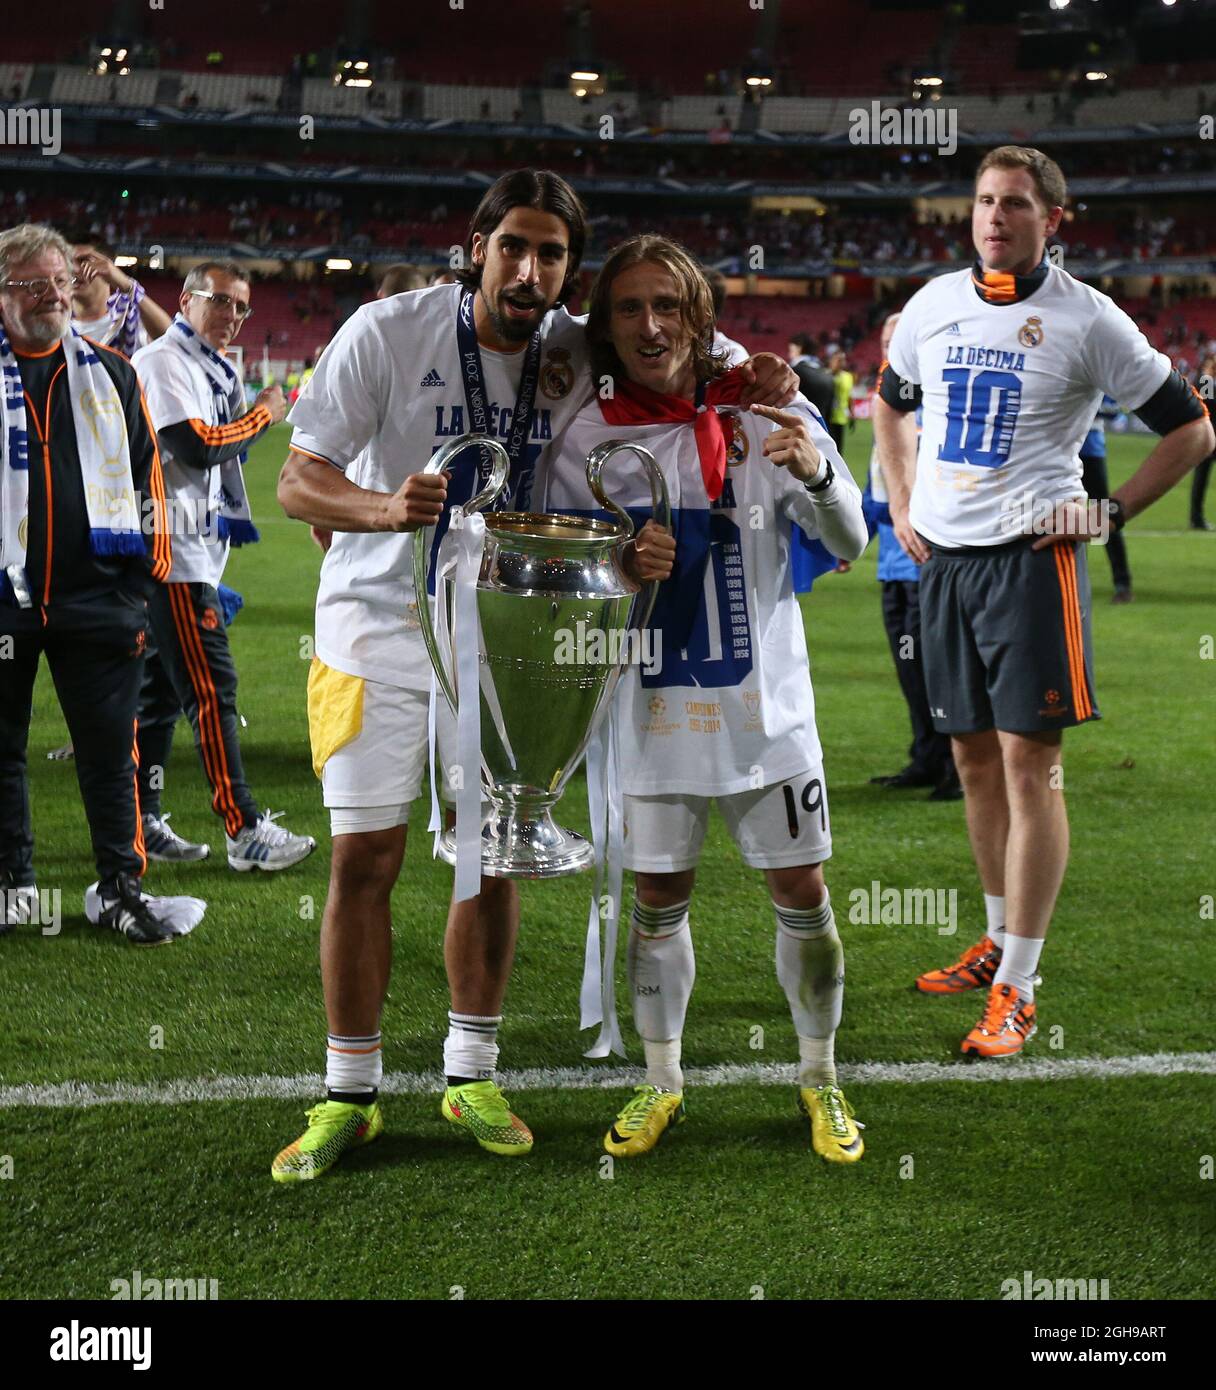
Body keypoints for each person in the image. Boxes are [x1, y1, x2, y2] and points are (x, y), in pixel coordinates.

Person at [271, 169, 798, 1182]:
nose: (529, 268)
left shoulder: (571, 346)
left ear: (568, 268)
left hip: (503, 636)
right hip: (374, 629)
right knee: (363, 859)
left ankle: (471, 1068)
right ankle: (349, 1091)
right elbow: (301, 476)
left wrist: (763, 370)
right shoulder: (386, 332)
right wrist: (387, 508)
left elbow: (684, 333)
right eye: (512, 244)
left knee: (493, 847)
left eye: (551, 253)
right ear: (475, 246)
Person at [874, 146, 1213, 1056]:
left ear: (1052, 220)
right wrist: (902, 502)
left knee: (1031, 770)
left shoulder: (1090, 319)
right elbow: (889, 403)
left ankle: (1021, 986)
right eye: (984, 201)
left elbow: (1191, 429)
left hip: (1032, 566)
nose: (994, 217)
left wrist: (1106, 513)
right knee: (974, 763)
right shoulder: (934, 305)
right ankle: (997, 939)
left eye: (1015, 204)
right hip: (943, 563)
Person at [544, 235, 869, 1162]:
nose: (650, 326)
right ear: (606, 326)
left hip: (767, 712)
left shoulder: (769, 406)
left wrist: (811, 471)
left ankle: (819, 1076)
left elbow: (848, 539)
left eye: (668, 306)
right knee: (659, 897)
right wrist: (613, 559)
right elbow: (563, 579)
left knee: (803, 891)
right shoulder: (589, 438)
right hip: (649, 711)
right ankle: (662, 1079)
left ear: (698, 313)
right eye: (628, 310)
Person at [0, 223, 184, 944]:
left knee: (112, 755)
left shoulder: (112, 373)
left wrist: (139, 587)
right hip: (3, 600)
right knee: (2, 751)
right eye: (33, 284)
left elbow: (150, 487)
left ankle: (119, 887)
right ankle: (13, 883)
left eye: (61, 282)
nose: (53, 296)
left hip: (98, 599)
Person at [130, 263, 315, 871]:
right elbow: (194, 445)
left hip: (195, 551)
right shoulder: (163, 363)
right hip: (173, 553)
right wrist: (265, 413)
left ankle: (145, 820)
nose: (234, 316)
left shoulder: (212, 365)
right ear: (185, 300)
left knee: (158, 696)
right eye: (222, 302)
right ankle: (245, 831)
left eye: (242, 307)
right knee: (214, 690)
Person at [868, 312, 959, 799]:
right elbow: (875, 487)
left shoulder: (937, 406)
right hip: (892, 562)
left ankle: (956, 765)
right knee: (910, 668)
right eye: (884, 339)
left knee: (937, 667)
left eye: (896, 339)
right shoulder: (890, 410)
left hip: (929, 563)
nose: (888, 348)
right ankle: (925, 756)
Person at [66, 232, 172, 355]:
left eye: (84, 261)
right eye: (68, 262)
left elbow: (169, 339)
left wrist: (128, 286)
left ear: (108, 267)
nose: (74, 269)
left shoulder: (130, 319)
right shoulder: (56, 324)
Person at [1079, 395, 1133, 601]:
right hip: (1061, 452)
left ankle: (1122, 583)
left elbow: (1113, 409)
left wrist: (1082, 406)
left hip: (1090, 449)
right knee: (1057, 515)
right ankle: (1067, 581)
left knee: (1103, 516)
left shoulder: (1095, 371)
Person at [787, 331, 835, 423]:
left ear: (799, 349)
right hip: (821, 429)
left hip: (798, 429)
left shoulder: (793, 372)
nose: (789, 354)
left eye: (791, 350)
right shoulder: (827, 374)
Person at [1190, 353, 1215, 530]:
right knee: (1202, 478)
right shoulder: (1206, 380)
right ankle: (1196, 518)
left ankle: (1196, 517)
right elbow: (1209, 405)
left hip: (1210, 434)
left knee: (1202, 478)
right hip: (1208, 435)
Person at [828, 350, 854, 456]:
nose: (841, 362)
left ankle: (837, 471)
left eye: (843, 360)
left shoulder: (848, 377)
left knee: (839, 451)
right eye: (839, 360)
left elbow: (849, 396)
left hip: (841, 418)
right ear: (832, 361)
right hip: (827, 417)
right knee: (828, 449)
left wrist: (852, 414)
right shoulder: (826, 376)